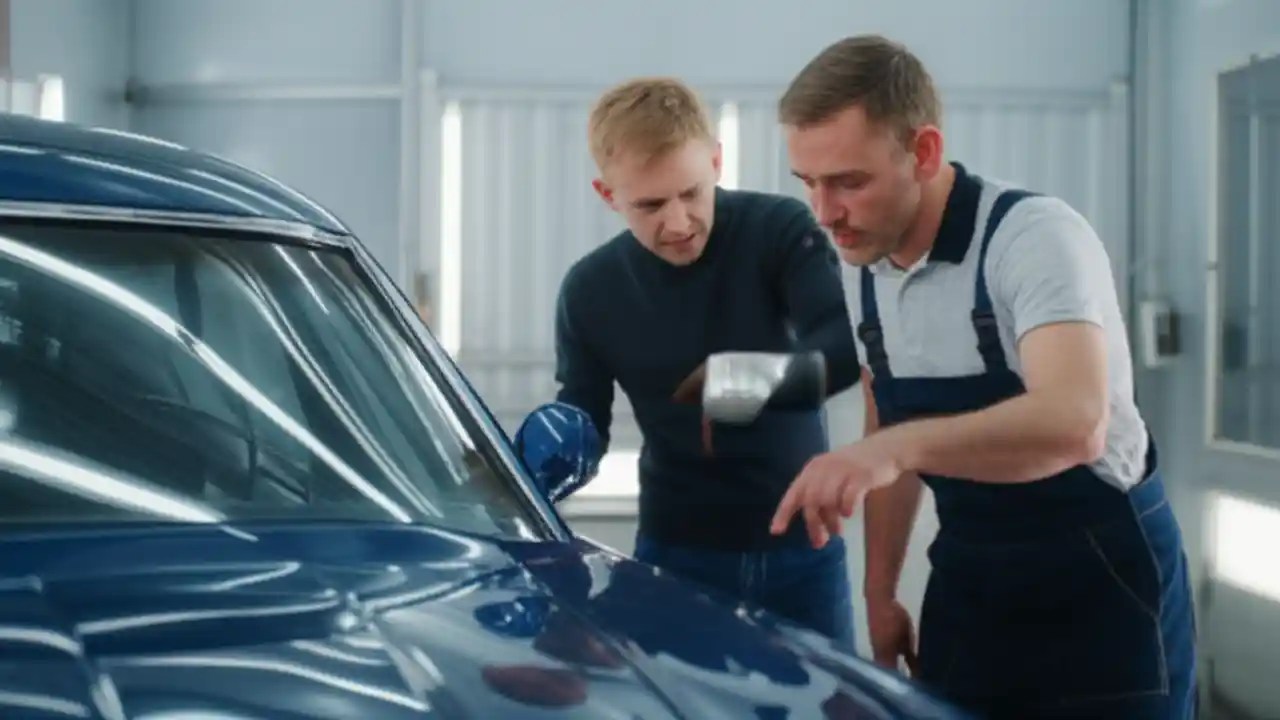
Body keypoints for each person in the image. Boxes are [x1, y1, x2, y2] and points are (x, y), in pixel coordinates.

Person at [766, 35, 1198, 719]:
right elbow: (890, 419)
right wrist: (880, 591)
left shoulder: (1033, 239)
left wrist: (888, 450)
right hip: (971, 589)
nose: (825, 214)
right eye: (809, 184)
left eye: (849, 182)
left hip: (1101, 591)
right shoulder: (865, 266)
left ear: (925, 152)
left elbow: (1074, 423)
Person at [545, 76, 862, 650]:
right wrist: (536, 464)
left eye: (691, 192)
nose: (678, 222)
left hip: (803, 557)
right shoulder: (590, 290)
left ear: (716, 160)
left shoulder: (780, 231)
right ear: (606, 193)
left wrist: (739, 382)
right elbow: (583, 420)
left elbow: (841, 352)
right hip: (677, 561)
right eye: (649, 204)